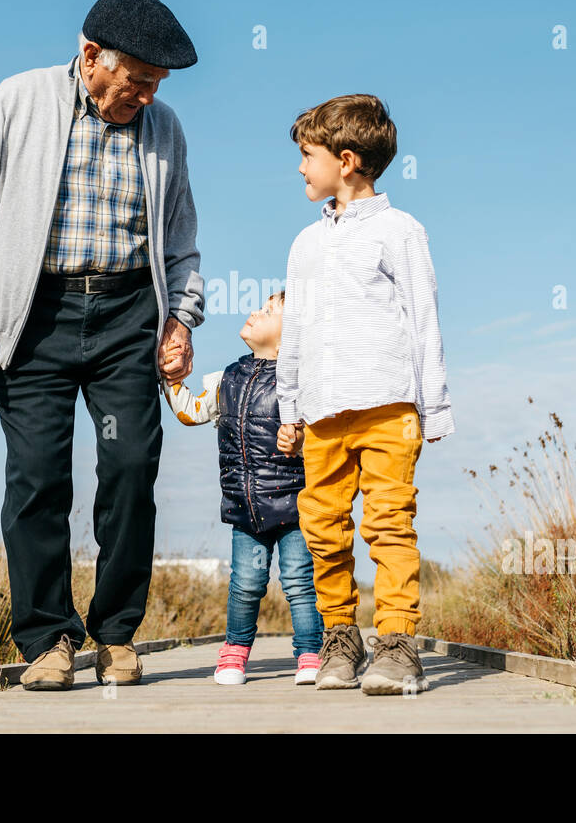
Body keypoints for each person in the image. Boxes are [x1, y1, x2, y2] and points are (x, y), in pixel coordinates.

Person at [0, 0, 206, 691]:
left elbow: (182, 244)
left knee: (132, 468)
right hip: (35, 318)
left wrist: (181, 320)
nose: (145, 96)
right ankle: (48, 638)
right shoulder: (18, 101)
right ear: (90, 57)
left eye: (155, 85)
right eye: (136, 81)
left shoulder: (164, 129)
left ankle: (115, 634)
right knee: (38, 479)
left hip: (126, 317)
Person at [276, 94, 454, 695]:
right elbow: (294, 332)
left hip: (389, 406)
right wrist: (289, 407)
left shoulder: (399, 231)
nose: (301, 168)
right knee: (323, 528)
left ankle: (398, 645)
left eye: (308, 155)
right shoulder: (305, 244)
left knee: (388, 524)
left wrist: (434, 407)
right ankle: (339, 640)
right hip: (323, 414)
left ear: (345, 160)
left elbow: (424, 318)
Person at [162, 291, 323, 685]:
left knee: (300, 583)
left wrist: (301, 441)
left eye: (268, 312)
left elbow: (322, 436)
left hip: (294, 507)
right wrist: (171, 380)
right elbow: (193, 411)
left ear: (290, 340)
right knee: (246, 584)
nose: (255, 312)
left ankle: (309, 654)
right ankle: (234, 654)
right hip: (244, 506)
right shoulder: (227, 378)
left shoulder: (301, 384)